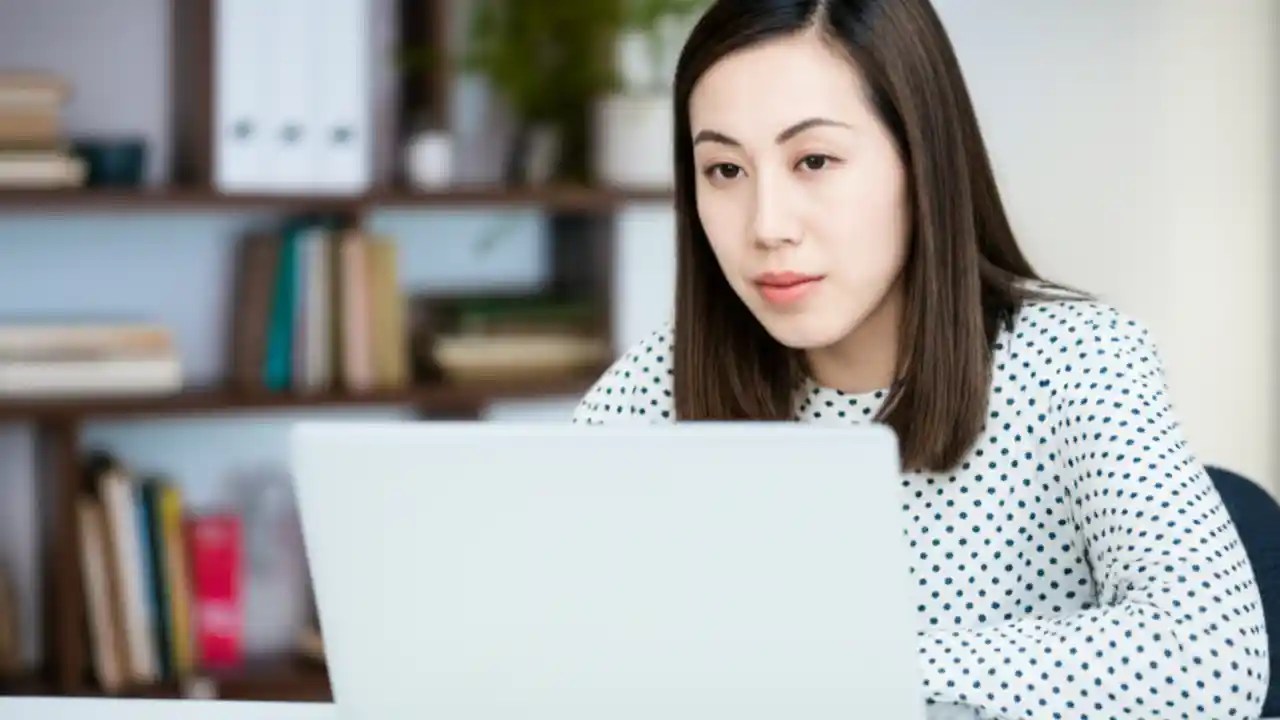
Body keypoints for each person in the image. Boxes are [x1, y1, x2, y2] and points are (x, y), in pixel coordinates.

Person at [572, 0, 1270, 718]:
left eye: (814, 160)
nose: (767, 225)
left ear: (921, 158)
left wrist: (856, 663)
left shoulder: (1079, 360)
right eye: (724, 170)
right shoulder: (662, 384)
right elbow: (535, 623)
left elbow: (1211, 659)